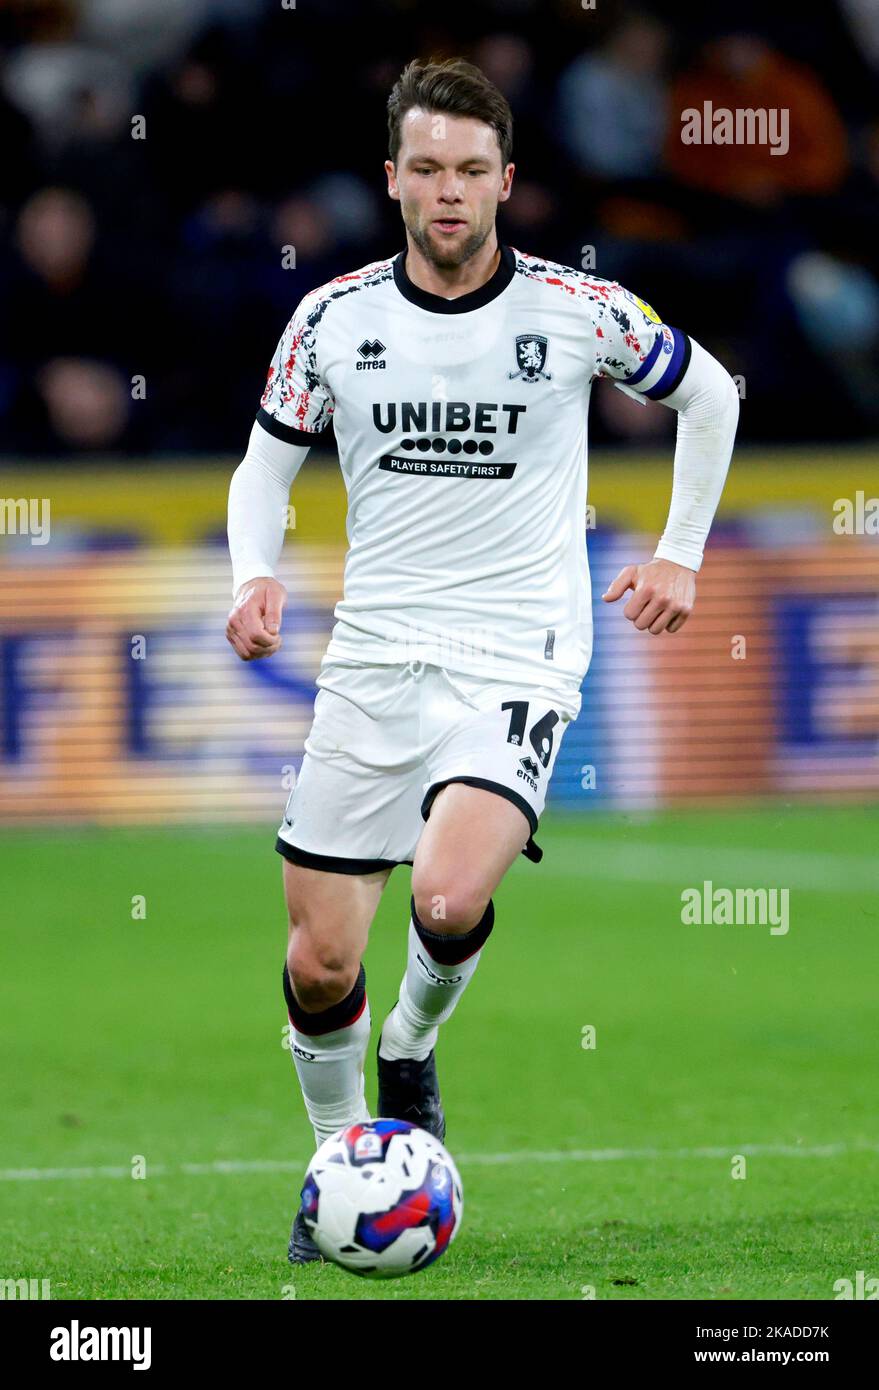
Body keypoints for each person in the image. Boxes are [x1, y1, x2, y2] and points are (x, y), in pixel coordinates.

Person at [225, 57, 739, 1264]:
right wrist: (253, 570)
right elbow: (264, 467)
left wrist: (680, 556)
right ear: (392, 179)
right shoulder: (332, 319)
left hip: (519, 652)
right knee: (318, 959)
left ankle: (410, 1044)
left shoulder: (575, 309)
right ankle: (341, 1154)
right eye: (426, 169)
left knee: (450, 898)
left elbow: (708, 393)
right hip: (374, 656)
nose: (447, 191)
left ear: (505, 181)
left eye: (470, 171)